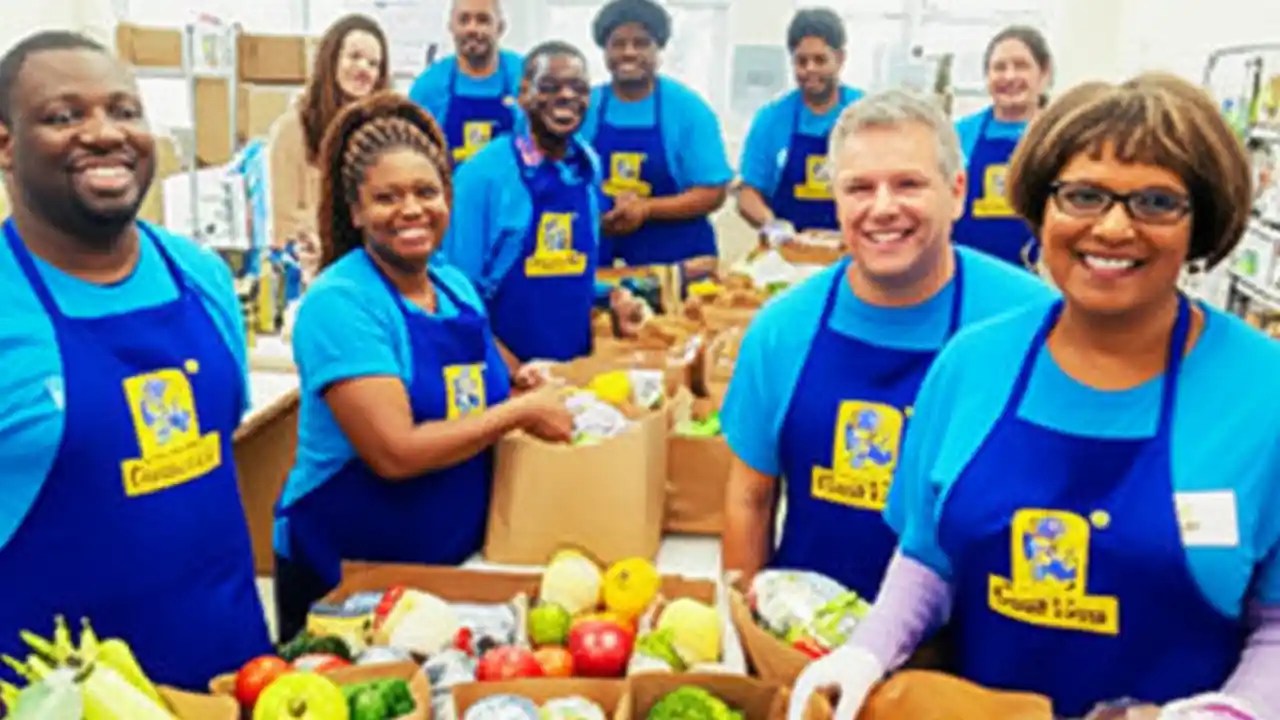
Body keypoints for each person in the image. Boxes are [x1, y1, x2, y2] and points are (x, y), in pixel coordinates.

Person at [789, 73, 1280, 720]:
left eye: (1156, 203)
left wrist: (1236, 711)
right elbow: (925, 557)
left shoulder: (1262, 392)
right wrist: (868, 650)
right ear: (1042, 207)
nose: (1111, 227)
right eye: (1081, 195)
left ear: (1203, 221)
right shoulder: (972, 366)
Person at [0, 31, 269, 688]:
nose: (104, 133)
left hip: (235, 682)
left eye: (124, 111)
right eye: (65, 116)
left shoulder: (202, 277)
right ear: (5, 143)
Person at [720, 89, 1052, 602]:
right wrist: (746, 640)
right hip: (812, 641)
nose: (882, 208)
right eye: (859, 188)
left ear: (957, 191)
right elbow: (750, 496)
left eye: (908, 184)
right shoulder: (782, 330)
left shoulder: (1031, 321)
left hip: (967, 660)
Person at [272, 91, 575, 642]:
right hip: (348, 576)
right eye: (386, 197)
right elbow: (395, 451)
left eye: (425, 192)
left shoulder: (452, 285)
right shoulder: (342, 303)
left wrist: (521, 377)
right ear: (357, 209)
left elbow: (487, 359)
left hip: (450, 564)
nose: (411, 209)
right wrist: (518, 413)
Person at [444, 41, 610, 366]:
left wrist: (612, 297)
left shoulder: (587, 166)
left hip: (570, 369)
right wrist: (508, 367)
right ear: (523, 95)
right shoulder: (481, 176)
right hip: (499, 372)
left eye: (579, 88)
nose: (567, 96)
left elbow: (568, 267)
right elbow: (455, 294)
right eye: (549, 87)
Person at [581, 0, 733, 276]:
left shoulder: (688, 110)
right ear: (604, 50)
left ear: (659, 48)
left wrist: (647, 209)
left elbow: (713, 192)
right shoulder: (585, 108)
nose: (629, 53)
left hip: (677, 262)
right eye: (618, 43)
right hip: (601, 257)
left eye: (641, 43)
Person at [267, 14, 389, 288]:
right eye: (354, 56)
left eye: (373, 64)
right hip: (313, 274)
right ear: (330, 59)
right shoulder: (292, 129)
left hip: (372, 273)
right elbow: (285, 221)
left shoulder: (381, 130)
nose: (363, 69)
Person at [736, 8, 865, 239]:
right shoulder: (771, 119)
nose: (810, 69)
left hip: (853, 249)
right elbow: (748, 194)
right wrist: (772, 226)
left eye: (820, 60)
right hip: (788, 254)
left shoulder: (866, 114)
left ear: (840, 59)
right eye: (801, 61)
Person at [950, 25, 1052, 269]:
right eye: (999, 67)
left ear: (1044, 73)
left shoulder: (1059, 135)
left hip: (1038, 276)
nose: (1009, 76)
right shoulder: (959, 134)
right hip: (969, 272)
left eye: (1021, 65)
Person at [408, 0, 523, 166]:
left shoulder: (524, 76)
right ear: (451, 27)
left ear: (500, 27)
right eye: (464, 20)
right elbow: (411, 157)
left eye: (483, 20)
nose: (472, 28)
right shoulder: (429, 86)